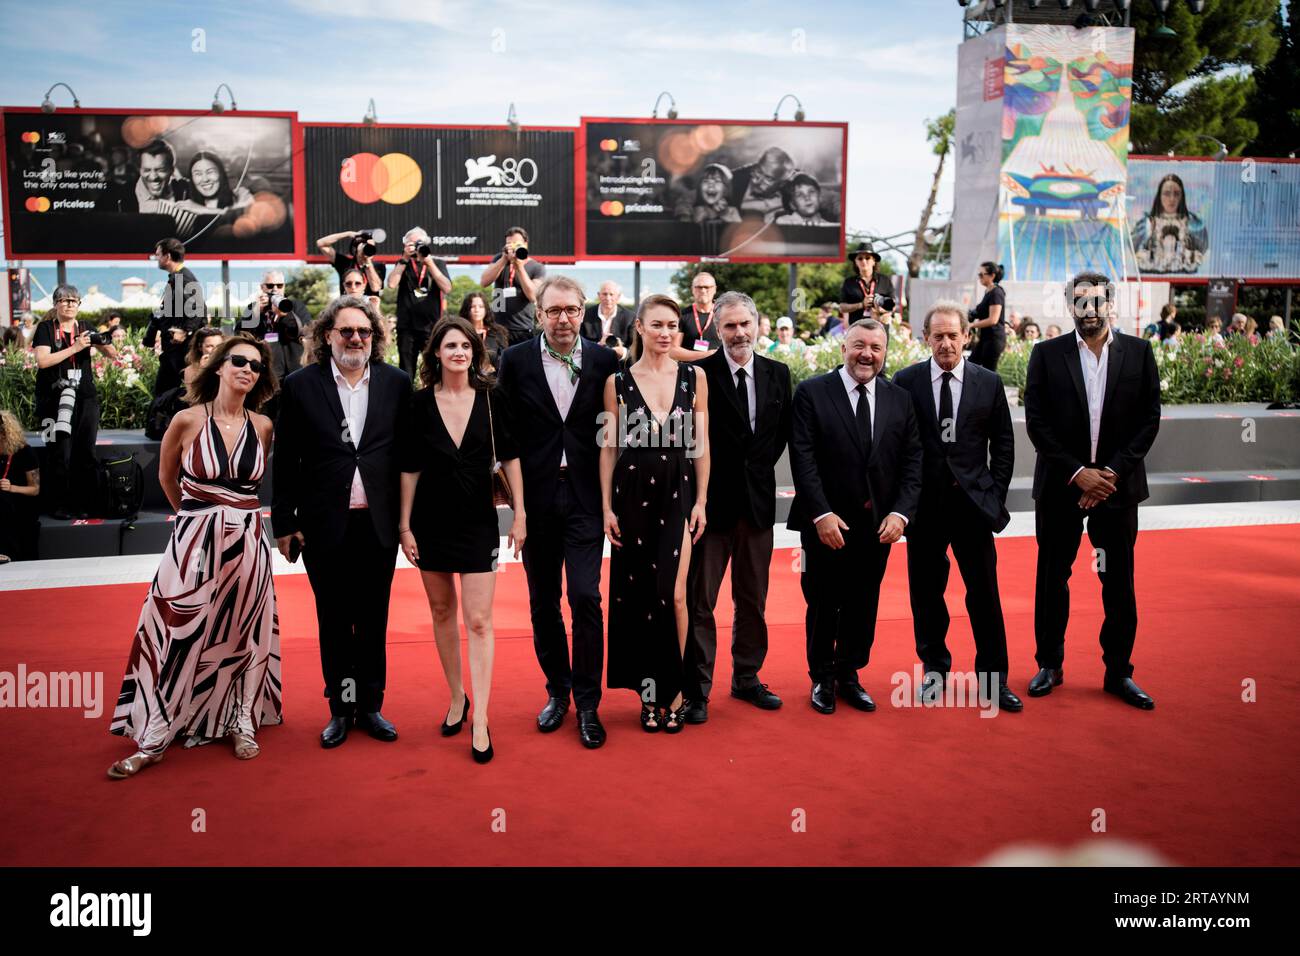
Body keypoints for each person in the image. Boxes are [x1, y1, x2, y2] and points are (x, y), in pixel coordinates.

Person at [107, 334, 281, 778]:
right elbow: (167, 479)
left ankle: (242, 720)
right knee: (176, 631)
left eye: (256, 366)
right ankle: (156, 735)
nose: (247, 369)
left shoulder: (262, 426)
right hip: (193, 542)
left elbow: (255, 485)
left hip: (248, 542)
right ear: (219, 367)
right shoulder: (186, 419)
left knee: (245, 630)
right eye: (238, 360)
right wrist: (197, 519)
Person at [271, 295, 412, 748]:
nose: (355, 338)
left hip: (377, 523)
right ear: (327, 335)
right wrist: (283, 522)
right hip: (321, 523)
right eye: (346, 330)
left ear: (375, 337)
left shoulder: (396, 383)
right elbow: (286, 458)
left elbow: (408, 457)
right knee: (333, 618)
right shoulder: (299, 385)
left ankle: (370, 706)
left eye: (364, 331)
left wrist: (410, 522)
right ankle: (339, 708)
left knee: (373, 617)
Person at [1023, 271, 1161, 710]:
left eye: (1097, 301)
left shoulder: (1139, 353)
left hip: (1117, 490)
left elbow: (1148, 420)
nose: (1090, 309)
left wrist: (1110, 475)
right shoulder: (1046, 354)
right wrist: (1078, 473)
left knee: (1118, 581)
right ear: (1070, 306)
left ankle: (1119, 671)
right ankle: (1050, 663)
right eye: (1080, 301)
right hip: (1062, 487)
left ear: (1110, 303)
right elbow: (1037, 422)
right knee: (1052, 578)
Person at [495, 276, 619, 748]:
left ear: (583, 311)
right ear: (540, 314)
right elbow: (506, 434)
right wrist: (516, 505)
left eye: (571, 310)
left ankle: (589, 702)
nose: (563, 319)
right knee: (543, 602)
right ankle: (558, 692)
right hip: (538, 499)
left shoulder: (606, 360)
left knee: (586, 597)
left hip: (588, 497)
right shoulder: (515, 360)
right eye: (554, 311)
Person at [399, 317, 526, 765]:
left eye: (466, 346)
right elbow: (409, 469)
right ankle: (457, 696)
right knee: (440, 610)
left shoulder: (492, 400)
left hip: (477, 521)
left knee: (478, 620)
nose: (459, 352)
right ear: (436, 352)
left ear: (475, 352)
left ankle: (483, 718)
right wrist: (404, 526)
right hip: (430, 521)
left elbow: (510, 458)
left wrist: (520, 515)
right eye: (450, 345)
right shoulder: (417, 405)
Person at [787, 318, 922, 715]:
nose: (867, 354)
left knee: (864, 601)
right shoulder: (812, 392)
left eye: (875, 348)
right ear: (844, 347)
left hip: (876, 526)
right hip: (825, 524)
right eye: (859, 345)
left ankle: (849, 674)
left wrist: (900, 513)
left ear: (884, 353)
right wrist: (822, 514)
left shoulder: (900, 399)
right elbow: (803, 458)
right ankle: (821, 678)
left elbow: (913, 461)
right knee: (823, 600)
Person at [892, 301, 1022, 712]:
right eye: (938, 335)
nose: (946, 343)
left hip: (972, 507)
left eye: (953, 335)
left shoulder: (988, 382)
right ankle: (934, 668)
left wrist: (992, 495)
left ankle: (993, 679)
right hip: (925, 508)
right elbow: (897, 446)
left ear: (968, 336)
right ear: (925, 338)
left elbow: (1003, 444)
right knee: (927, 594)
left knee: (983, 593)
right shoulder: (906, 381)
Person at [602, 294, 710, 733]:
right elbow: (608, 447)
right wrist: (606, 505)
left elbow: (701, 444)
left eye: (672, 326)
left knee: (676, 594)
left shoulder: (694, 377)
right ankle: (650, 697)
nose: (666, 333)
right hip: (631, 494)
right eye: (658, 325)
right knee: (640, 597)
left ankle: (678, 691)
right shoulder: (618, 382)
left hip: (679, 492)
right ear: (640, 328)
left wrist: (702, 500)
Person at [683, 292, 791, 723]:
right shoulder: (697, 374)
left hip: (759, 506)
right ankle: (697, 690)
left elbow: (778, 436)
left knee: (753, 600)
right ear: (716, 330)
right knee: (700, 603)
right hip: (709, 508)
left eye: (745, 323)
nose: (739, 332)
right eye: (729, 326)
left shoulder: (778, 374)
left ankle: (746, 677)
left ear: (757, 324)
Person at [32, 285, 119, 519]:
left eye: (74, 301)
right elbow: (43, 361)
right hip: (54, 397)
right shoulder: (45, 329)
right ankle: (61, 504)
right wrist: (76, 347)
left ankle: (86, 503)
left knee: (85, 452)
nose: (70, 304)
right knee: (59, 452)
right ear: (55, 304)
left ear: (79, 305)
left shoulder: (85, 328)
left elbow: (112, 354)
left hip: (84, 396)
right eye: (64, 300)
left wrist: (102, 342)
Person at [144, 238, 207, 397]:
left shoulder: (183, 278)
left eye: (158, 255)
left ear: (168, 256)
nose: (156, 258)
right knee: (165, 396)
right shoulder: (178, 277)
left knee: (171, 395)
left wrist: (186, 331)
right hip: (173, 351)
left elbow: (199, 308)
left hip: (181, 351)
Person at [388, 226, 453, 379]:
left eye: (419, 243)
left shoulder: (437, 262)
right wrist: (404, 258)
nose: (416, 246)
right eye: (412, 243)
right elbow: (391, 284)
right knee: (406, 372)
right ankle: (406, 401)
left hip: (431, 327)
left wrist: (429, 262)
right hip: (406, 327)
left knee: (434, 370)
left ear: (426, 243)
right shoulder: (403, 264)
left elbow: (447, 288)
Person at [241, 269, 313, 382]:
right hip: (264, 374)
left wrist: (285, 314)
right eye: (270, 285)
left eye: (279, 285)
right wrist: (256, 313)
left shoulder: (296, 306)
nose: (275, 289)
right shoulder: (253, 308)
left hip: (295, 372)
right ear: (262, 287)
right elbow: (241, 336)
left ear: (284, 286)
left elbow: (305, 331)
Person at [481, 226, 545, 347]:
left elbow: (533, 296)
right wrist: (503, 259)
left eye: (516, 244)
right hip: (497, 326)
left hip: (522, 328)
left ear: (525, 244)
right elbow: (484, 282)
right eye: (509, 244)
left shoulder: (536, 267)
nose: (512, 247)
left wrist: (519, 266)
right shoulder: (499, 259)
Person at [1133, 173, 1209, 274]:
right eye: (1167, 193)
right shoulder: (1147, 224)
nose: (1172, 199)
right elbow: (1135, 251)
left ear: (1182, 196)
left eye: (1176, 194)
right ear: (1159, 195)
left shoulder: (1193, 224)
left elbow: (1201, 252)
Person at [0, 409, 41, 562]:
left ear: (4, 434)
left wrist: (12, 487)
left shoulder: (25, 452)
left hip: (21, 503)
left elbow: (35, 489)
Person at [317, 230, 386, 301]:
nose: (368, 249)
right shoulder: (345, 263)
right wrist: (347, 234)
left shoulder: (379, 266)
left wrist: (367, 262)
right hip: (347, 305)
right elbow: (321, 243)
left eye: (371, 247)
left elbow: (375, 288)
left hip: (368, 308)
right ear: (356, 248)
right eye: (365, 246)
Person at [184, 150, 253, 220]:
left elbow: (246, 218)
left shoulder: (241, 195)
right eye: (198, 174)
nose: (205, 179)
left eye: (210, 172)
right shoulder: (187, 205)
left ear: (221, 173)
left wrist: (204, 210)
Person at [838, 243, 895, 327]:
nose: (864, 261)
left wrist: (883, 310)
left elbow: (893, 304)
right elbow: (842, 307)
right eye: (860, 258)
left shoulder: (885, 280)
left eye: (868, 258)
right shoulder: (849, 282)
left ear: (874, 261)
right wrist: (861, 304)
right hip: (857, 327)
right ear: (855, 262)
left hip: (879, 326)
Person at [731, 147, 795, 221]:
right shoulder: (733, 180)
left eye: (768, 179)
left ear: (782, 183)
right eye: (759, 171)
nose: (757, 181)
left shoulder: (793, 192)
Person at [670, 270, 720, 362]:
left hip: (718, 372)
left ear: (715, 289)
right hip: (690, 373)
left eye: (707, 287)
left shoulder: (723, 314)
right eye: (699, 287)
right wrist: (705, 355)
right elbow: (673, 351)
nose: (703, 290)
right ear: (692, 289)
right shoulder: (682, 315)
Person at [131, 139, 191, 213]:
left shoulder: (187, 190)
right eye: (147, 170)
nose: (153, 177)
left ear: (172, 170)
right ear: (139, 170)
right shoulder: (121, 195)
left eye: (160, 170)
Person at [967, 261, 1006, 371]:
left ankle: (992, 389)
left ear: (992, 276)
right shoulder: (988, 291)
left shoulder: (996, 292)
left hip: (993, 338)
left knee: (989, 372)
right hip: (985, 338)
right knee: (971, 366)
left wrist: (972, 325)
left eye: (981, 274)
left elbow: (993, 319)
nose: (979, 277)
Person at [460, 291, 509, 373]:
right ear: (467, 309)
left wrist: (494, 367)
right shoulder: (461, 332)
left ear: (486, 309)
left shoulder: (497, 332)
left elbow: (504, 360)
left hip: (492, 378)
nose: (477, 310)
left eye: (481, 306)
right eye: (473, 306)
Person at [582, 281, 635, 355]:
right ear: (599, 295)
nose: (608, 298)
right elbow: (581, 343)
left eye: (611, 294)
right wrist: (599, 345)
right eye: (605, 294)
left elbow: (635, 347)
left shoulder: (629, 317)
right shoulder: (586, 315)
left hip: (620, 364)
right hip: (593, 361)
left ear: (618, 297)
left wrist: (623, 352)